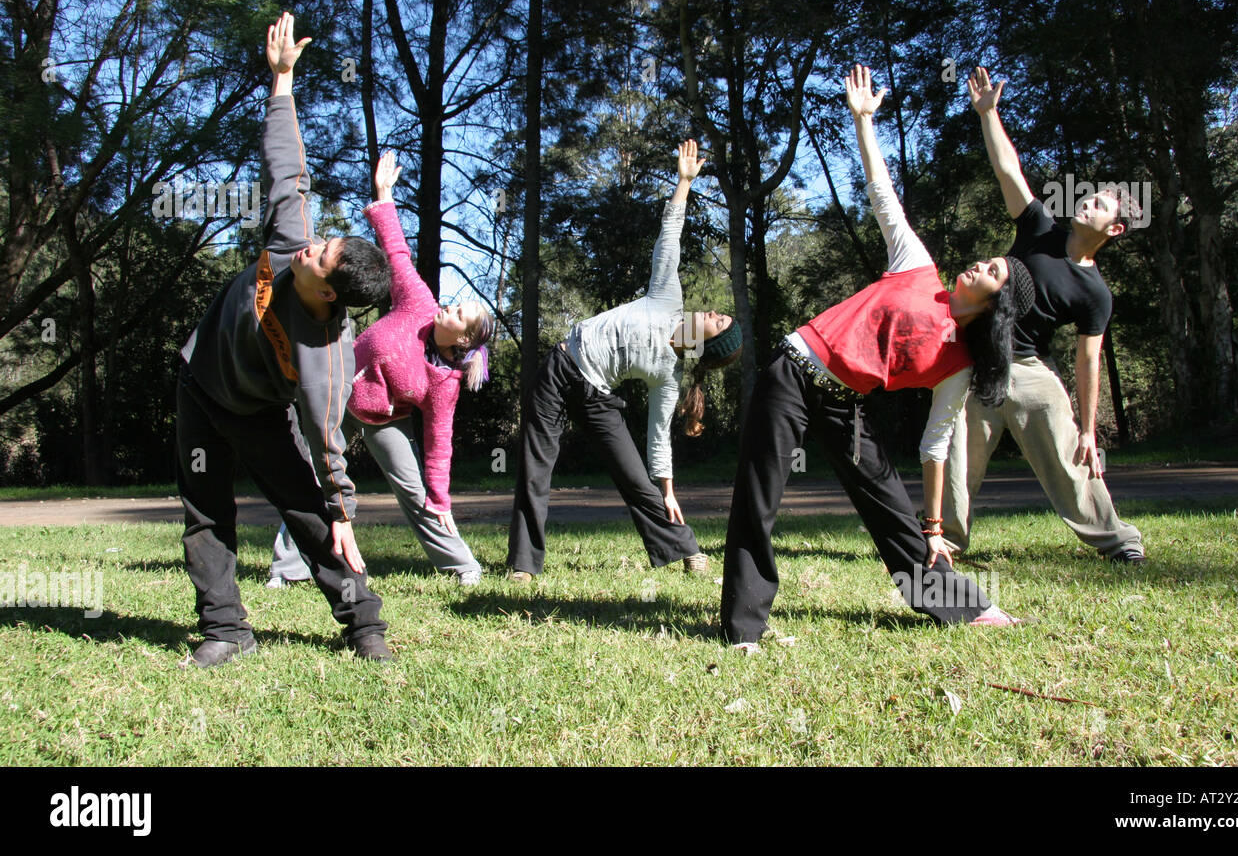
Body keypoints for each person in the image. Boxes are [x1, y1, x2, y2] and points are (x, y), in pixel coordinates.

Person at [721, 65, 1034, 646]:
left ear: (997, 305)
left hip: (845, 404)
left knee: (889, 501)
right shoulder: (918, 266)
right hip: (794, 371)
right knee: (759, 496)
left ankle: (954, 604)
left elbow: (935, 444)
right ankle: (744, 628)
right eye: (985, 260)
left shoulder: (960, 363)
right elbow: (882, 192)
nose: (978, 265)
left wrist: (936, 525)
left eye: (991, 272)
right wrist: (864, 122)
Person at [176, 12, 393, 667]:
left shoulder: (324, 356)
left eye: (320, 257)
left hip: (260, 412)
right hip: (199, 383)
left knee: (309, 512)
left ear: (328, 294)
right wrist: (282, 81)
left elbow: (329, 441)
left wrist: (345, 512)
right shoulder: (288, 242)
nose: (309, 248)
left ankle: (363, 626)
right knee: (205, 510)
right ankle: (226, 630)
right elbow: (286, 167)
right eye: (321, 243)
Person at [507, 140, 741, 581]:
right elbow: (669, 238)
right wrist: (684, 183)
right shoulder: (668, 298)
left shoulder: (669, 377)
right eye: (718, 312)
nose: (713, 313)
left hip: (597, 394)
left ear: (710, 344)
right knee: (535, 468)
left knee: (636, 479)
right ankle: (523, 565)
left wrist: (669, 490)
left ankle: (683, 546)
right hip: (561, 367)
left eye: (719, 321)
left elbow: (659, 441)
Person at [940, 67, 1146, 563]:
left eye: (1100, 204)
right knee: (956, 461)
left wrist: (1092, 431)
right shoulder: (1039, 229)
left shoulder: (1095, 292)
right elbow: (1008, 170)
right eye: (1090, 195)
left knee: (1070, 460)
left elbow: (1088, 362)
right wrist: (988, 113)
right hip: (975, 365)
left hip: (1030, 373)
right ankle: (944, 543)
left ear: (1113, 230)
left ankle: (1118, 541)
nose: (1088, 201)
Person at [267, 151, 494, 587]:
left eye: (458, 311)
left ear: (463, 340)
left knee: (417, 492)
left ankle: (462, 565)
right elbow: (397, 253)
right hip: (338, 393)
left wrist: (442, 497)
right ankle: (288, 569)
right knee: (314, 479)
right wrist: (384, 195)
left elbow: (438, 445)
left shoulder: (445, 383)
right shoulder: (419, 305)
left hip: (384, 416)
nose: (447, 306)